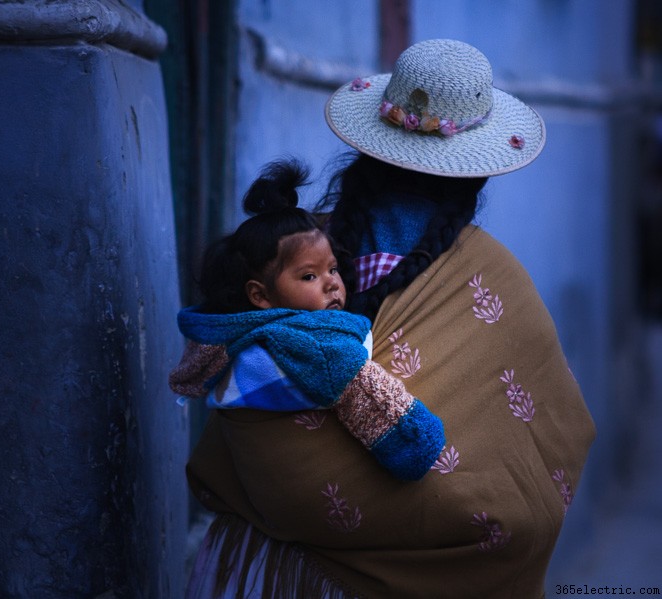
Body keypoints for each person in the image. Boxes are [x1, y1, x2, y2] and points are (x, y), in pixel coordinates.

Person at [182, 39, 596, 598]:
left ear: (368, 154)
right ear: (474, 178)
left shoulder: (290, 250)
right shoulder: (495, 281)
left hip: (263, 568)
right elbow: (547, 452)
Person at [169, 159, 445, 482]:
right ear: (260, 296)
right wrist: (419, 444)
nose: (331, 282)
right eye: (309, 275)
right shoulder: (319, 348)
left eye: (332, 269)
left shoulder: (226, 336)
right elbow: (374, 404)